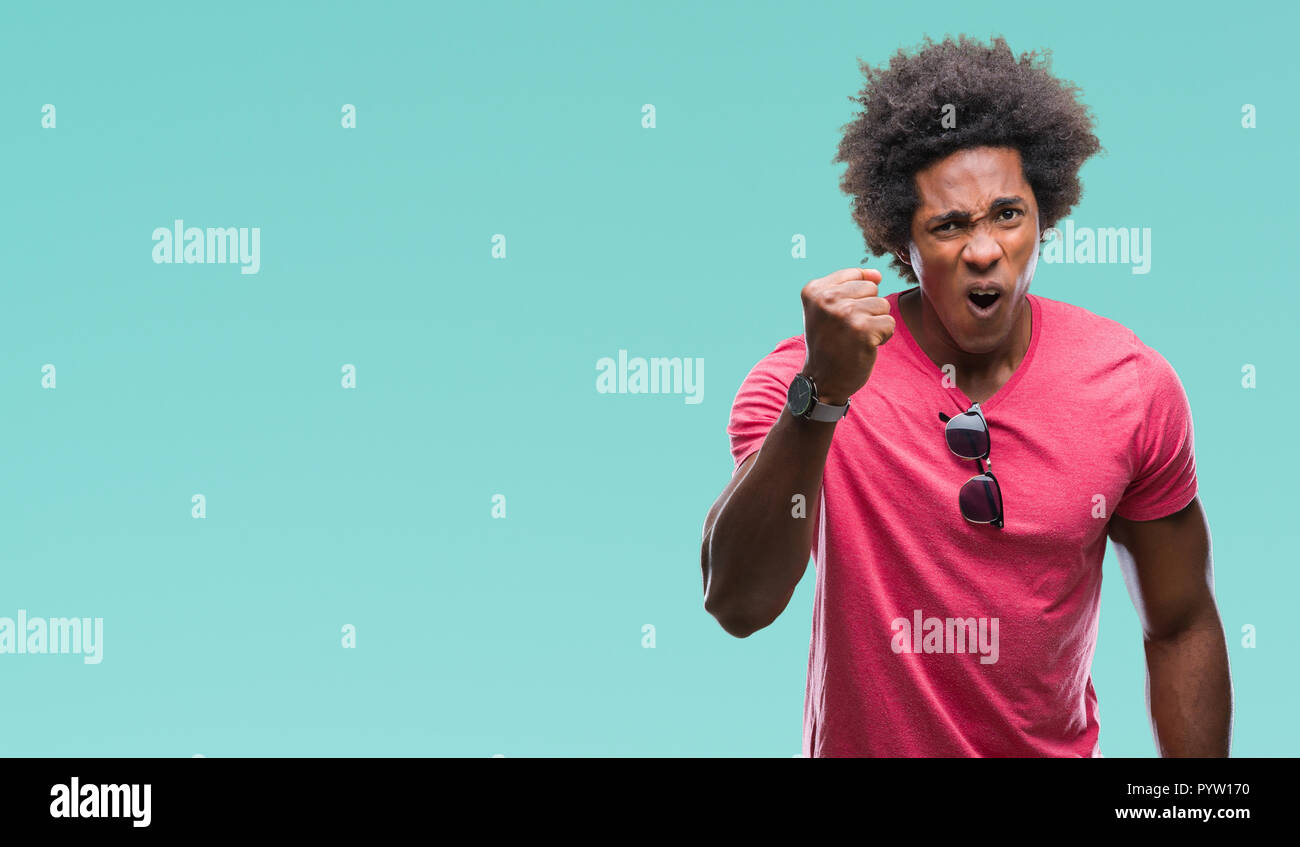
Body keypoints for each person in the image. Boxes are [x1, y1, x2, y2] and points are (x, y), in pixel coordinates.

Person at [699, 34, 1232, 757]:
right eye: (949, 225)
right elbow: (738, 602)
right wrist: (819, 396)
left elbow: (1181, 620)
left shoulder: (1132, 387)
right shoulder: (802, 378)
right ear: (901, 246)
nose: (984, 249)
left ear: (1044, 217)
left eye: (1007, 215)